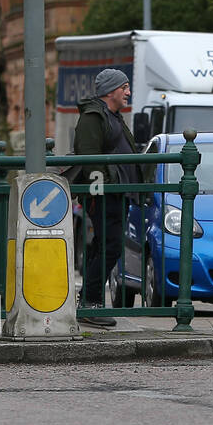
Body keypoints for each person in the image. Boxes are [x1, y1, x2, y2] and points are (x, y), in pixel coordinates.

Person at [72, 68, 136, 327]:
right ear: (111, 91)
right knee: (110, 247)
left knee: (105, 246)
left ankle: (91, 302)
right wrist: (104, 188)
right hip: (104, 195)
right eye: (124, 87)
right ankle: (90, 303)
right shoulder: (93, 116)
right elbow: (88, 156)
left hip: (115, 194)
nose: (128, 92)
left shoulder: (112, 116)